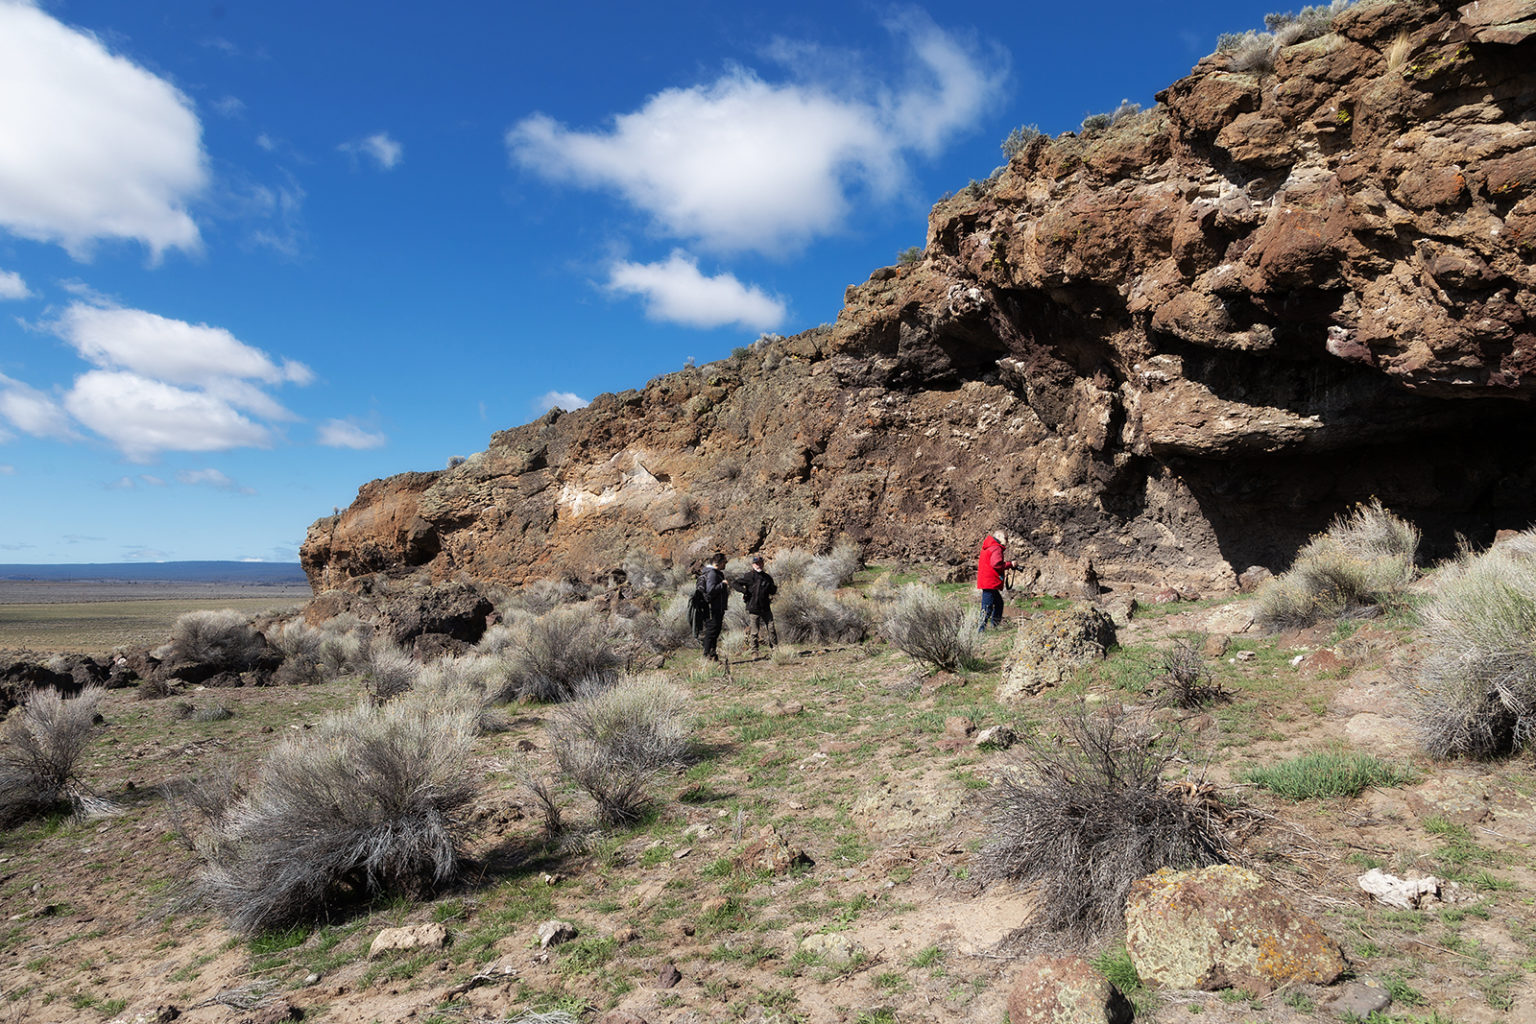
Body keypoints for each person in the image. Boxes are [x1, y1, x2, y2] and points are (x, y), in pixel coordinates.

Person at [733, 554, 778, 655]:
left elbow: (773, 590)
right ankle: (754, 651)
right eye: (756, 563)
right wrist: (744, 591)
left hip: (765, 607)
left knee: (771, 628)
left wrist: (771, 588)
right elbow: (735, 583)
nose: (759, 565)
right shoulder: (748, 576)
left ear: (763, 564)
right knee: (754, 631)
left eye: (760, 563)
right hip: (753, 607)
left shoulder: (767, 577)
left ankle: (775, 649)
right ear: (753, 565)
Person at [976, 530, 1015, 631]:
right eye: (1005, 538)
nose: (1007, 541)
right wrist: (1010, 564)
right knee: (987, 607)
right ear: (998, 536)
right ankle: (981, 629)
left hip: (987, 581)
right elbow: (996, 564)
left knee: (998, 603)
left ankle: (994, 626)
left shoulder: (988, 546)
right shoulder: (996, 548)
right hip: (990, 582)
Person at [697, 552, 730, 661]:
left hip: (716, 607)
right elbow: (710, 590)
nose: (726, 564)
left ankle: (712, 654)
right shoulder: (713, 574)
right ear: (719, 562)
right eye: (725, 562)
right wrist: (723, 584)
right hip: (712, 608)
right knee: (711, 631)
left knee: (715, 631)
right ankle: (707, 655)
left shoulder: (715, 573)